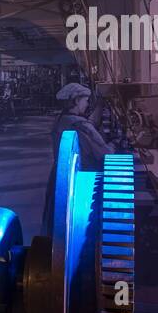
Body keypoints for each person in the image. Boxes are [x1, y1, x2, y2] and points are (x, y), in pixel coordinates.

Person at [41, 82, 111, 233]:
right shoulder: (81, 126)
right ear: (76, 101)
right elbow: (105, 154)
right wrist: (114, 145)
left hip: (59, 178)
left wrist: (99, 107)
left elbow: (87, 125)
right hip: (81, 183)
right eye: (85, 100)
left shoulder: (62, 119)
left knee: (57, 225)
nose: (87, 104)